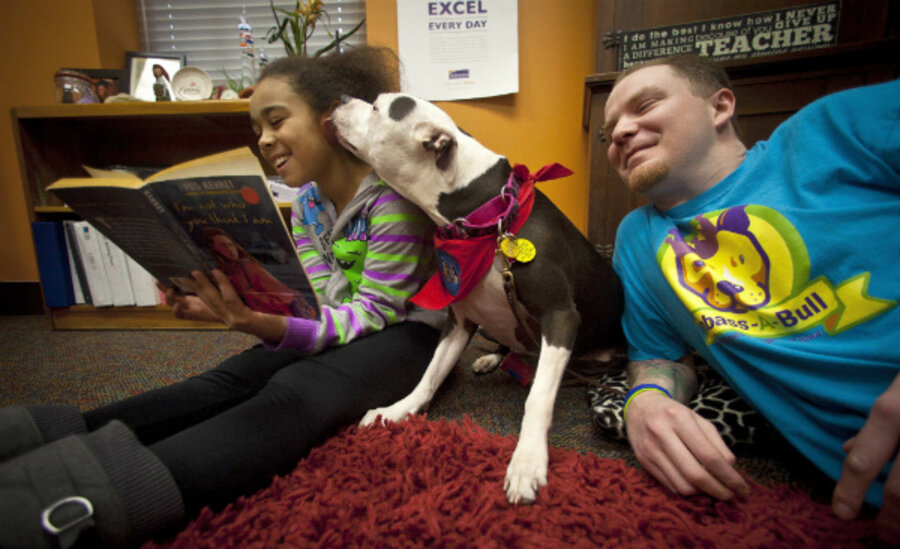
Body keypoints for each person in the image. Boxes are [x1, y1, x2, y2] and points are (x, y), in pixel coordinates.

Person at [0, 46, 443, 548]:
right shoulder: (307, 206)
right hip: (344, 322)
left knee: (298, 390)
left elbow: (377, 310)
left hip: (409, 333)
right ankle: (45, 437)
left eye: (276, 121)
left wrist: (270, 326)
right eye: (257, 128)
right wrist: (231, 307)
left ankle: (76, 503)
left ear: (332, 120)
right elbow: (321, 300)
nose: (264, 140)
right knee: (230, 378)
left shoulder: (392, 200)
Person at [604, 53, 900, 542]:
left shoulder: (835, 129)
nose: (619, 133)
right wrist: (647, 399)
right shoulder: (637, 240)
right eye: (610, 129)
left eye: (646, 104)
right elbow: (660, 355)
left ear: (720, 107)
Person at [201, 226, 316, 318]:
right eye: (223, 246)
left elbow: (278, 296)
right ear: (214, 250)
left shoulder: (247, 266)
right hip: (267, 314)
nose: (230, 249)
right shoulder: (227, 270)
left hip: (284, 311)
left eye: (231, 244)